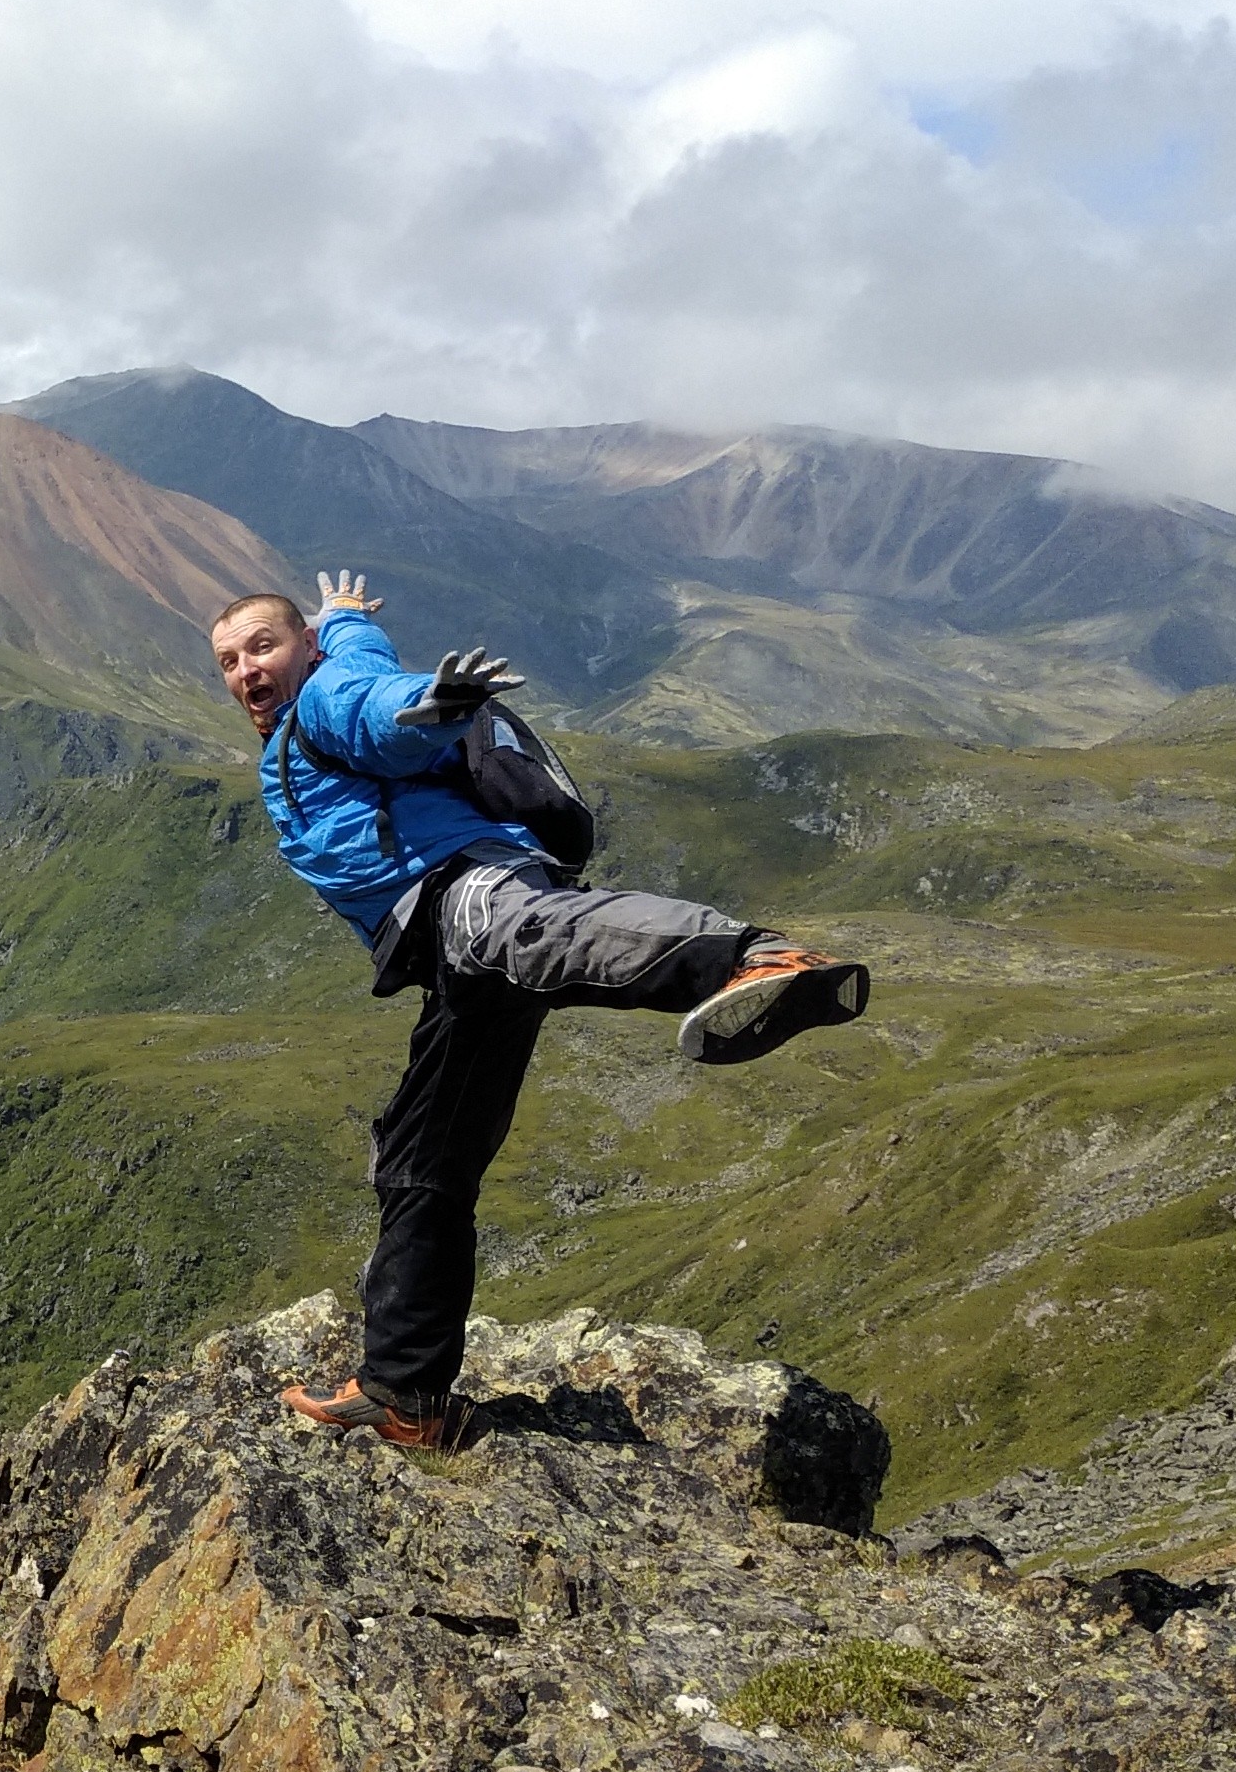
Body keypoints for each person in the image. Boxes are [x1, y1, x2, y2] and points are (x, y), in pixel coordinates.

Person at [211, 572, 868, 1451]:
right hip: (442, 948)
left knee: (528, 932)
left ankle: (753, 958)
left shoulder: (321, 702)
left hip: (464, 888)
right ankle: (407, 1397)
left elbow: (373, 708)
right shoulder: (325, 681)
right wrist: (348, 621)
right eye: (228, 659)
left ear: (303, 652)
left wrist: (431, 707)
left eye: (264, 646)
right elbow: (363, 670)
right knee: (422, 1158)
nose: (246, 669)